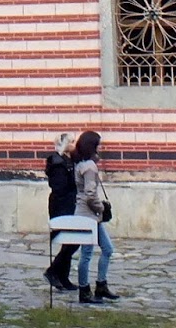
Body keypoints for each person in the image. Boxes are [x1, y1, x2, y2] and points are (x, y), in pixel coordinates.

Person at [73, 129, 120, 303]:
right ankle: (84, 291)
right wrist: (101, 208)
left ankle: (101, 285)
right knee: (86, 254)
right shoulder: (89, 167)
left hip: (87, 214)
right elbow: (90, 194)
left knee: (107, 249)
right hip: (88, 215)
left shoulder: (81, 163)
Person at [43, 132, 80, 292]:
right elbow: (59, 188)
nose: (74, 144)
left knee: (71, 241)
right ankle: (53, 272)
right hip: (62, 206)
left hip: (69, 204)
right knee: (71, 241)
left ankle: (62, 276)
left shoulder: (67, 160)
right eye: (72, 142)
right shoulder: (58, 163)